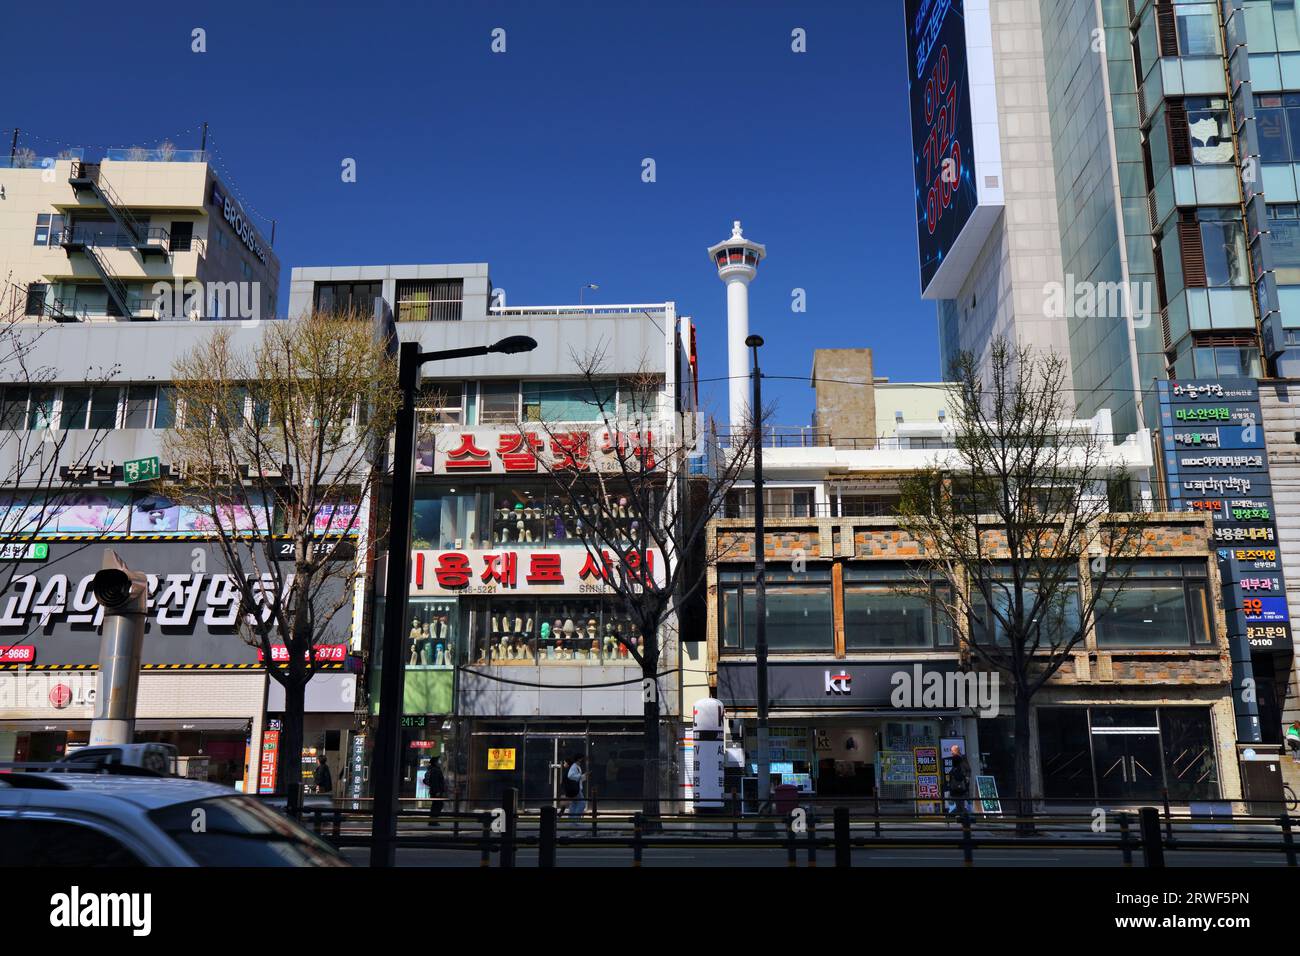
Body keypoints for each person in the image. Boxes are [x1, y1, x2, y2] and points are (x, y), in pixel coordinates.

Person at [944, 744, 971, 818]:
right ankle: (962, 816)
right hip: (956, 784)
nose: (951, 753)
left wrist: (966, 779)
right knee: (958, 801)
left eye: (952, 751)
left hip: (960, 783)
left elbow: (968, 770)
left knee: (960, 802)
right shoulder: (956, 759)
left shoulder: (962, 758)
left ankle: (966, 817)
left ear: (956, 751)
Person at [424, 756, 447, 827]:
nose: (439, 762)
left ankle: (433, 821)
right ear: (435, 763)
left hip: (434, 791)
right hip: (436, 792)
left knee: (435, 805)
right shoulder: (435, 770)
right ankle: (433, 821)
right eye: (438, 761)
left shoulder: (433, 769)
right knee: (437, 805)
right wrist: (437, 791)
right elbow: (435, 782)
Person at [566, 754, 588, 819]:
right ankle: (576, 819)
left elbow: (578, 778)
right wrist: (581, 776)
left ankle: (571, 819)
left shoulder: (577, 766)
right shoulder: (574, 767)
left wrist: (584, 776)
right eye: (582, 759)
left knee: (574, 803)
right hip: (576, 789)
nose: (583, 760)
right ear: (579, 759)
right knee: (582, 803)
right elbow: (570, 776)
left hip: (576, 788)